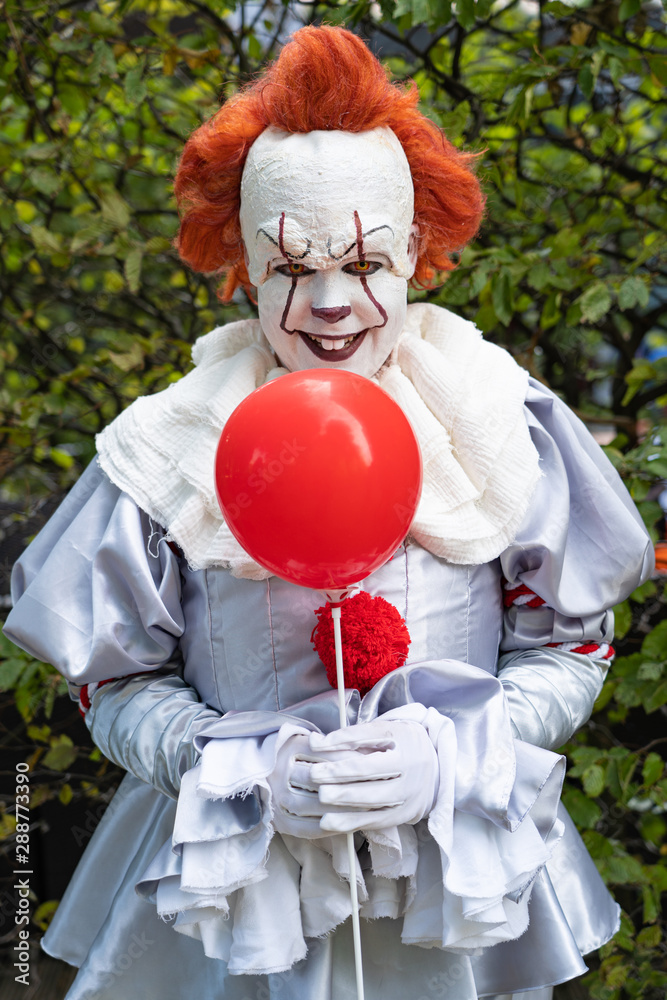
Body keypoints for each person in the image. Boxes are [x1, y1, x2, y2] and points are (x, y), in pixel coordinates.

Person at [4, 25, 654, 1000]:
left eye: (364, 265)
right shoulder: (166, 443)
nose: (331, 303)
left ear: (413, 257)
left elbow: (570, 647)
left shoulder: (494, 416)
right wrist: (229, 762)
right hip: (228, 904)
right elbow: (116, 680)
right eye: (291, 269)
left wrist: (453, 751)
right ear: (249, 272)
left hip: (454, 887)